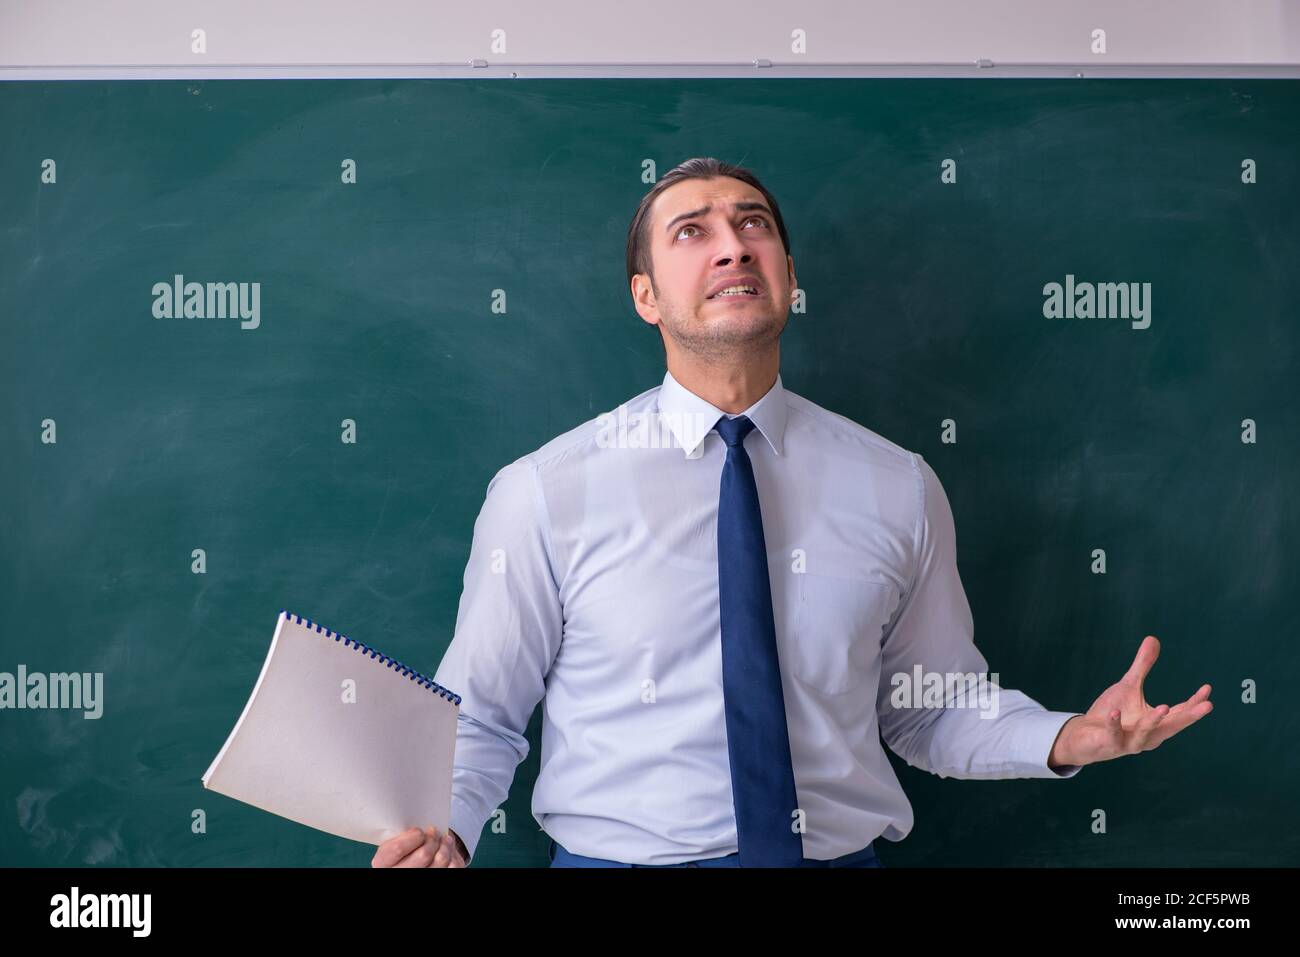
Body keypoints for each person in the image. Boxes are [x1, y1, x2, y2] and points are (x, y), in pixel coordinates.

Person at [372, 157, 1213, 869]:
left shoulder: (899, 485)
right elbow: (478, 713)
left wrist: (1068, 736)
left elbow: (929, 705)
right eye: (692, 231)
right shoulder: (546, 490)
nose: (733, 245)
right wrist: (442, 830)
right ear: (645, 296)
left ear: (788, 276)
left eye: (754, 225)